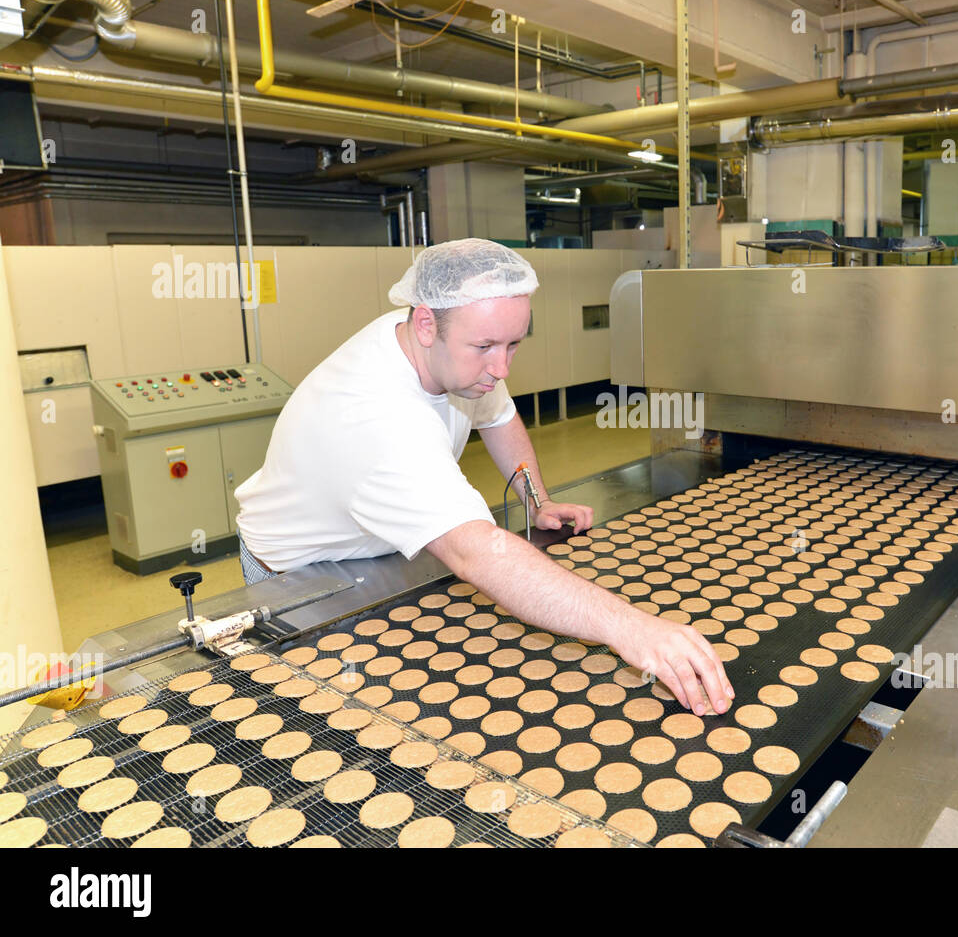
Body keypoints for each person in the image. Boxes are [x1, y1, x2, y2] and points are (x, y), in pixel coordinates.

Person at [235, 239, 732, 715]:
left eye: (514, 343)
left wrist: (535, 500)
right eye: (487, 346)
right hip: (299, 579)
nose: (501, 367)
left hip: (379, 555)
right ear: (426, 323)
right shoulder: (373, 416)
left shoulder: (446, 348)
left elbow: (498, 417)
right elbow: (480, 552)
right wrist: (633, 629)